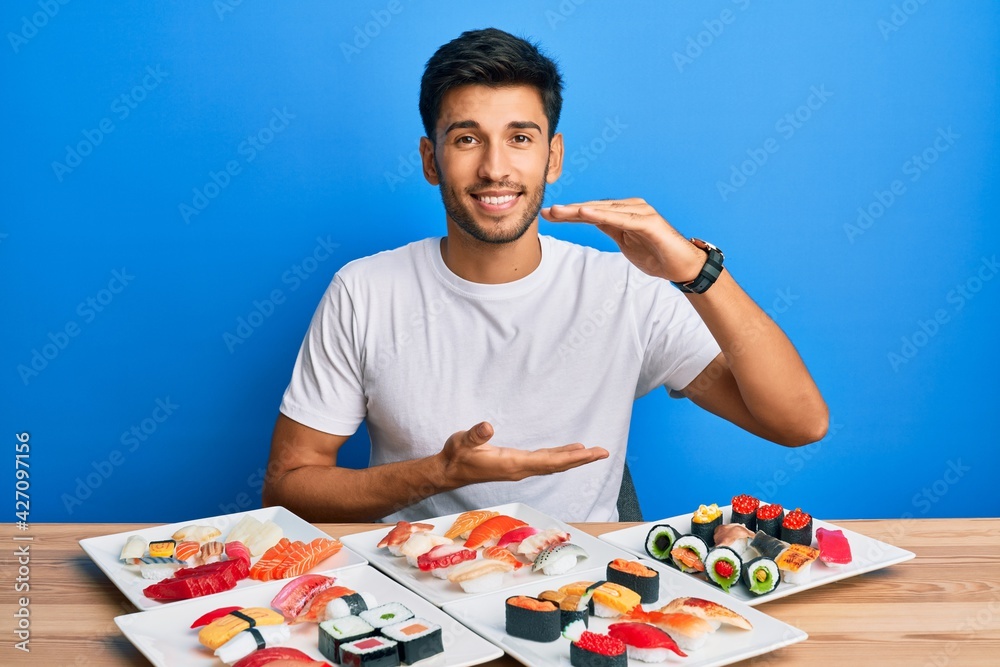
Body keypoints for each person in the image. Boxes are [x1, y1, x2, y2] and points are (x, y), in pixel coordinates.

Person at [262, 28, 828, 524]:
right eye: (467, 139)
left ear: (552, 157)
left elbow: (799, 423)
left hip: (588, 590)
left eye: (519, 138)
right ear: (431, 160)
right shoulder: (364, 291)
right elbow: (287, 489)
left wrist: (694, 271)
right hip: (421, 586)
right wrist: (438, 473)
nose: (494, 168)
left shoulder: (626, 289)